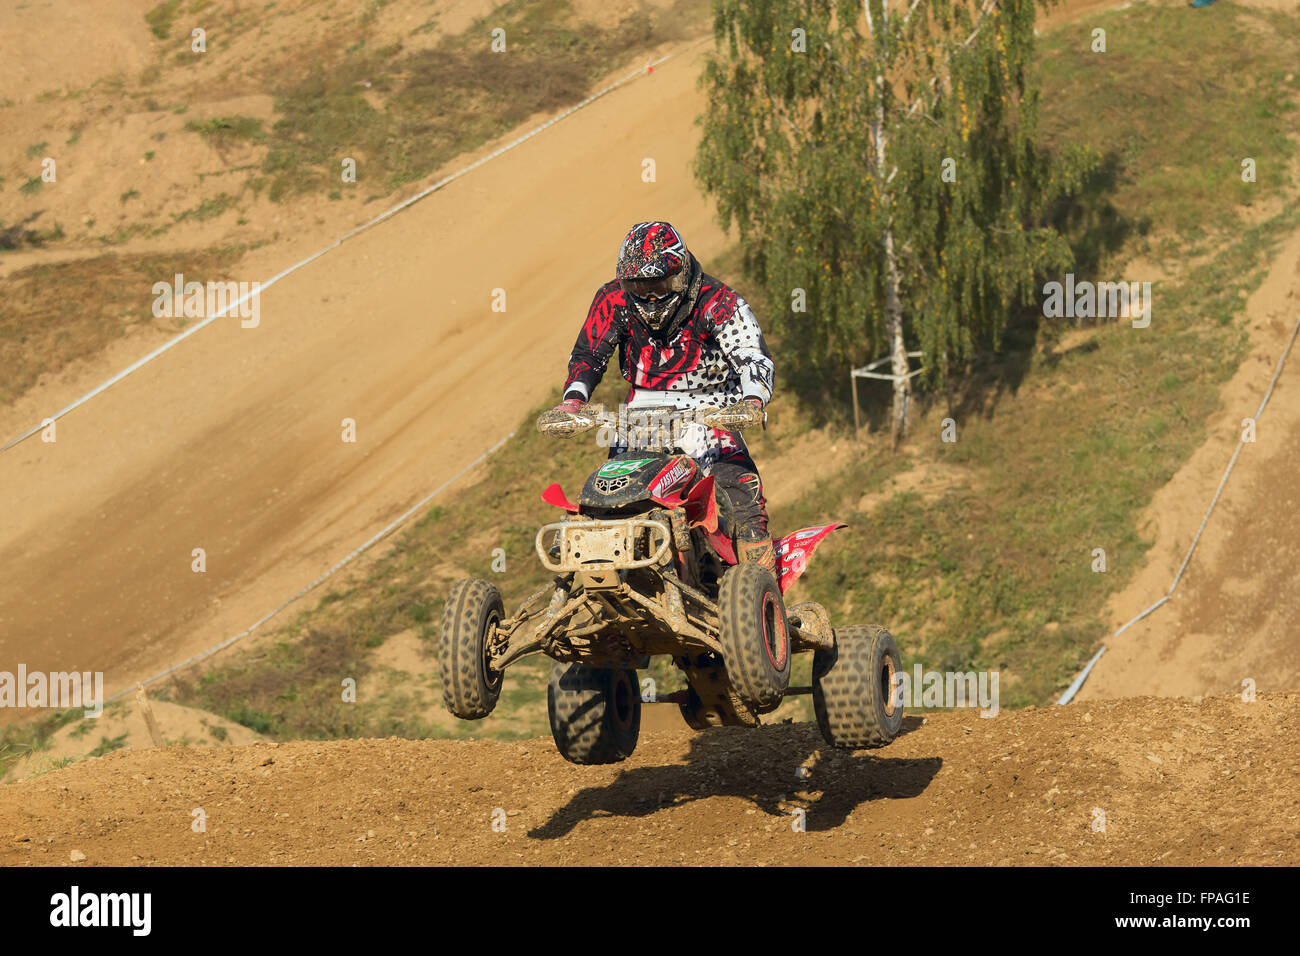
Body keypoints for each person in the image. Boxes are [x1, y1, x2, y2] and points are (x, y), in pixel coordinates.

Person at [538, 221, 777, 572]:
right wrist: (574, 400)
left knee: (744, 501)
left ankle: (761, 596)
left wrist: (752, 401)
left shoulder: (720, 302)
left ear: (680, 275)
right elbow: (589, 353)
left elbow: (752, 354)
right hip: (640, 417)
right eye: (639, 285)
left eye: (659, 284)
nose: (650, 296)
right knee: (605, 501)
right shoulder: (614, 298)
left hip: (712, 412)